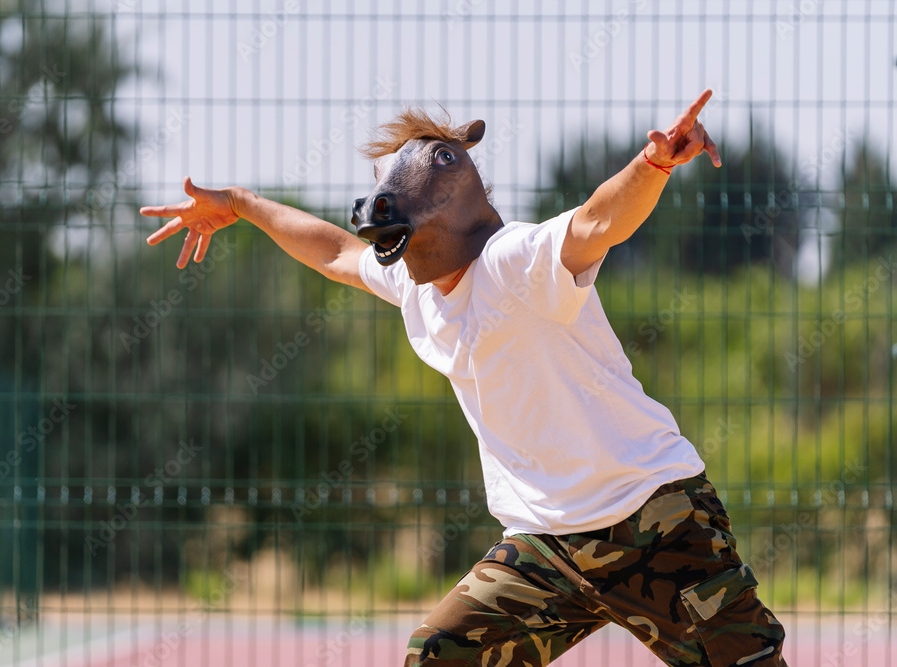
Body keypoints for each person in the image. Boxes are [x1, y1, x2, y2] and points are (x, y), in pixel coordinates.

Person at [140, 89, 786, 666]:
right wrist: (242, 204)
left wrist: (655, 166)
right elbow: (334, 252)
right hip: (547, 548)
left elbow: (596, 221)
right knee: (441, 654)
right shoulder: (412, 284)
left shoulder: (513, 263)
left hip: (655, 520)